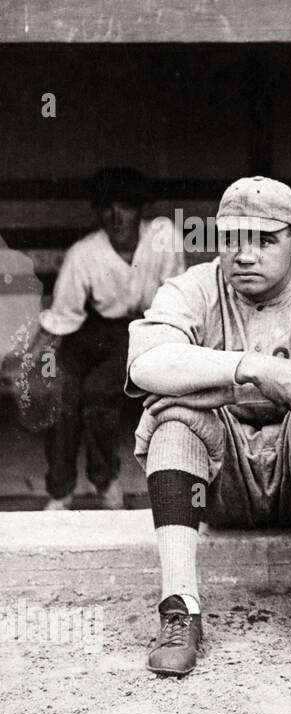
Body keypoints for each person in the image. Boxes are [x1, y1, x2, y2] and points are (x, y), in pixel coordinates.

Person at [126, 176, 291, 677]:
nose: (245, 255)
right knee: (171, 416)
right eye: (232, 239)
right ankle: (181, 607)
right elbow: (145, 364)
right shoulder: (192, 287)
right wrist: (255, 368)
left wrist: (210, 380)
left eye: (265, 240)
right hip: (221, 485)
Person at [33, 168, 185, 510]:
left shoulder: (164, 236)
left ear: (140, 210)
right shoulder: (83, 253)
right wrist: (34, 362)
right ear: (97, 212)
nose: (116, 217)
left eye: (126, 207)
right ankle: (60, 491)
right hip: (94, 331)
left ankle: (105, 480)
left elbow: (175, 300)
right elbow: (62, 318)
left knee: (99, 390)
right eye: (107, 208)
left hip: (146, 330)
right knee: (59, 388)